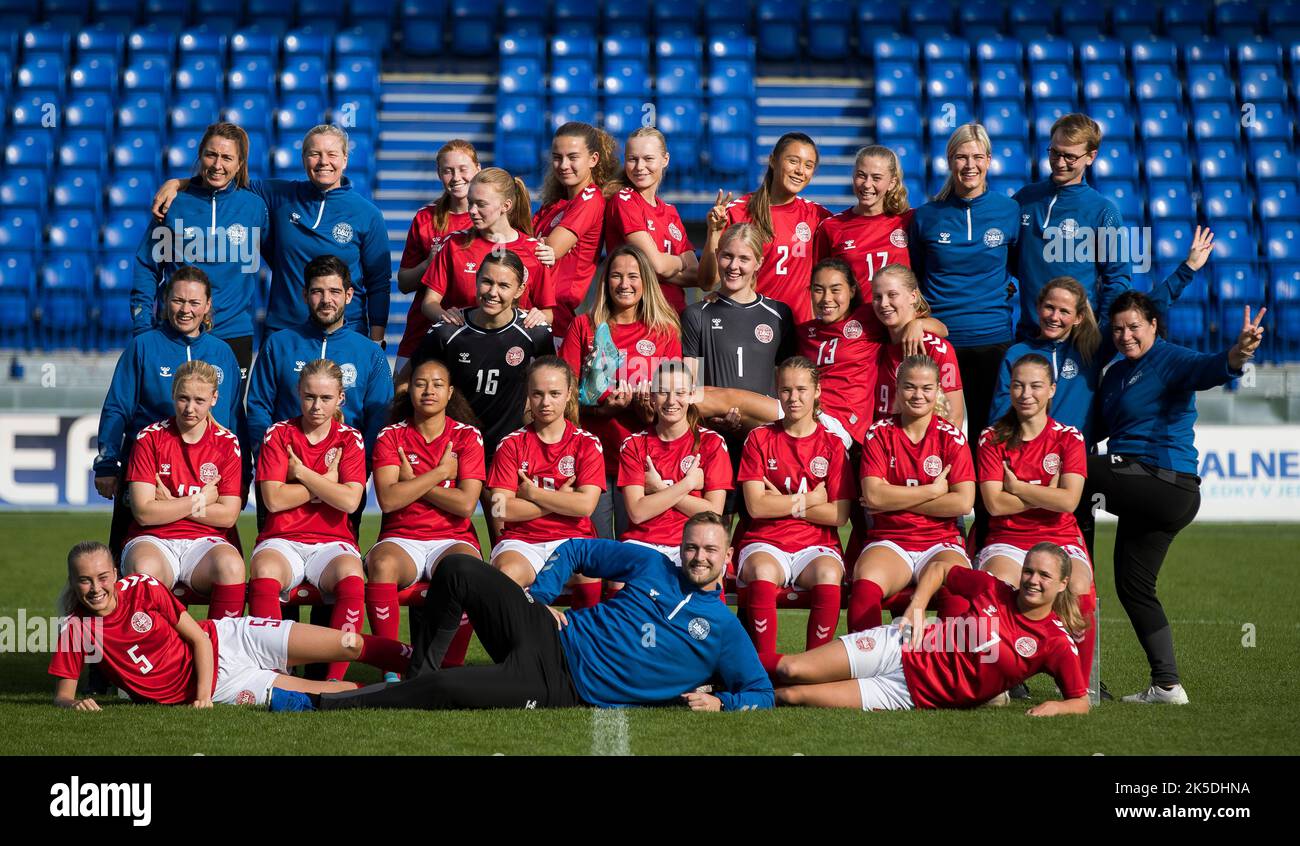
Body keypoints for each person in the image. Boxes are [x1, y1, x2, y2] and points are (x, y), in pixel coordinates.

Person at [312, 512, 774, 712]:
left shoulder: (724, 630)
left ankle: (327, 704)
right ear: (680, 546)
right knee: (457, 567)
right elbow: (575, 549)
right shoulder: (651, 562)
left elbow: (761, 693)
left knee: (448, 687)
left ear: (728, 555)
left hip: (559, 684)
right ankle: (417, 673)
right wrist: (546, 596)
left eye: (709, 550)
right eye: (691, 547)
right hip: (544, 628)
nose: (698, 557)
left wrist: (722, 701)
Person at [1086, 294, 1265, 704]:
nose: (1125, 335)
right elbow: (1090, 430)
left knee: (1077, 472)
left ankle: (1075, 573)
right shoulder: (1114, 375)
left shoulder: (1169, 358)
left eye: (1134, 327)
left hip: (1164, 483)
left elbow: (1208, 368)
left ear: (1153, 325)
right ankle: (1167, 685)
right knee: (1134, 588)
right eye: (1117, 329)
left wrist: (1237, 354)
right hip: (1140, 491)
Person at [50, 542, 411, 710]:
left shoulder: (143, 587)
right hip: (226, 685)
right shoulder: (77, 630)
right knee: (329, 693)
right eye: (84, 581)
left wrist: (201, 698)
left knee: (348, 643)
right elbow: (63, 696)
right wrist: (75, 705)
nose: (95, 589)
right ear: (72, 581)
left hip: (231, 638)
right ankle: (419, 694)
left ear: (116, 573)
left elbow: (198, 639)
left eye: (102, 577)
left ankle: (426, 667)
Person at [774, 542, 1089, 715]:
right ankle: (724, 669)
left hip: (909, 694)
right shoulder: (994, 588)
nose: (1033, 580)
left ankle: (730, 701)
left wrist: (1055, 708)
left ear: (1063, 584)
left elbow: (1080, 700)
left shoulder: (1057, 642)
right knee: (792, 667)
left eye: (1044, 576)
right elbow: (940, 568)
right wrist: (919, 605)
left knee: (793, 694)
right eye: (1029, 571)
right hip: (902, 644)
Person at [153, 124, 391, 343]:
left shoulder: (367, 214)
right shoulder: (279, 194)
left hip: (345, 331)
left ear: (345, 159)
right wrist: (180, 183)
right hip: (285, 329)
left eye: (332, 154)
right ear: (303, 158)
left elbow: (379, 283)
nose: (323, 162)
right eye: (314, 154)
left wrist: (376, 339)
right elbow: (225, 177)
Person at [991, 228, 1217, 443]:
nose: (1054, 317)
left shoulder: (1089, 348)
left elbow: (1146, 307)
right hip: (1027, 461)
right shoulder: (1017, 354)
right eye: (1049, 307)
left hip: (1075, 465)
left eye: (1064, 311)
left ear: (1078, 317)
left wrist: (1187, 269)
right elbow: (1000, 416)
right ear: (1038, 307)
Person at [908, 123, 1020, 551]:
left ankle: (991, 535)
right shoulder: (926, 217)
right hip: (941, 346)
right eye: (961, 157)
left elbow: (1019, 272)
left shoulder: (1009, 212)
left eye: (977, 157)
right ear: (949, 161)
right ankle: (941, 530)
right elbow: (915, 279)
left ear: (988, 161)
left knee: (990, 441)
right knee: (940, 437)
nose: (969, 165)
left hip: (994, 344)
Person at [94, 267, 244, 560]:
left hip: (208, 480)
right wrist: (107, 464)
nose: (185, 310)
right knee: (128, 566)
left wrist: (243, 477)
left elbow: (234, 417)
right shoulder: (143, 347)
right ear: (164, 301)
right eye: (178, 301)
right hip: (150, 477)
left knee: (219, 569)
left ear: (208, 305)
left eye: (194, 302)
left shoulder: (222, 353)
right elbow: (117, 407)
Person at [404, 252, 553, 542]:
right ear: (475, 280)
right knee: (434, 536)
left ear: (520, 290)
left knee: (506, 538)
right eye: (486, 282)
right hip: (453, 453)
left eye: (503, 285)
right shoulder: (447, 331)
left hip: (504, 455)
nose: (493, 292)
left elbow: (550, 389)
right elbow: (407, 384)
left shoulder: (534, 334)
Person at [976, 353, 1095, 685]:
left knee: (1079, 585)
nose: (1026, 394)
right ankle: (1003, 679)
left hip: (1060, 536)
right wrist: (1043, 493)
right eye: (1018, 385)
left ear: (1052, 390)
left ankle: (1079, 686)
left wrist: (1018, 488)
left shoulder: (1069, 437)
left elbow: (1069, 502)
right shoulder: (992, 438)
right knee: (1000, 582)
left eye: (1035, 386)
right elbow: (995, 505)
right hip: (1008, 538)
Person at [247, 360, 369, 681]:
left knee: (352, 575)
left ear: (340, 398)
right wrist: (325, 483)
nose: (316, 406)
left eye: (326, 398)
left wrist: (300, 473)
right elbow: (273, 500)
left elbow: (350, 500)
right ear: (298, 394)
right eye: (310, 397)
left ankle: (334, 680)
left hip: (332, 543)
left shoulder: (350, 439)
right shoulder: (278, 434)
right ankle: (274, 673)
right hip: (282, 539)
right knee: (264, 571)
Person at [367, 358, 485, 674]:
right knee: (381, 565)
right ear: (409, 391)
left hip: (453, 537)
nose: (428, 390)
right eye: (420, 383)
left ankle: (450, 669)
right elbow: (389, 500)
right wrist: (441, 474)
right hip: (402, 538)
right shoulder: (390, 436)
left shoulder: (467, 437)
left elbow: (464, 505)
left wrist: (414, 481)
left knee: (466, 569)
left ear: (450, 393)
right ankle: (390, 668)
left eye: (437, 384)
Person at [735, 356, 854, 668]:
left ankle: (815, 667)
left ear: (817, 391)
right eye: (785, 390)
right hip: (765, 541)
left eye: (801, 389)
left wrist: (784, 503)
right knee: (762, 572)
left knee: (829, 574)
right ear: (777, 392)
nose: (793, 397)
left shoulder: (832, 444)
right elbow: (756, 507)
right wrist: (810, 499)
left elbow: (838, 515)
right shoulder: (759, 438)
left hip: (816, 546)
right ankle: (763, 669)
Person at [558, 244, 682, 540]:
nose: (624, 284)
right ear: (605, 281)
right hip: (592, 459)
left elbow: (679, 402)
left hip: (644, 463)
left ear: (646, 282)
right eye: (616, 276)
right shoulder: (583, 326)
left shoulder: (665, 331)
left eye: (633, 276)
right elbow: (562, 398)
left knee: (635, 551)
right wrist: (603, 411)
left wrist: (648, 412)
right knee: (596, 555)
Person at [848, 355, 975, 635]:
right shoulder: (878, 434)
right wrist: (931, 492)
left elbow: (963, 502)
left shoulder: (951, 438)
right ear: (897, 387)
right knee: (866, 585)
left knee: (959, 588)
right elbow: (874, 496)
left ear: (938, 389)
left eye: (927, 388)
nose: (918, 395)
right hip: (890, 540)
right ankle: (869, 669)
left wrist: (895, 499)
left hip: (940, 542)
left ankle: (945, 669)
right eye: (910, 387)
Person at [131, 122, 269, 379]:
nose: (218, 165)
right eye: (211, 155)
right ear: (200, 156)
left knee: (227, 415)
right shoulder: (173, 204)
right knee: (174, 411)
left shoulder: (255, 207)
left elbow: (282, 259)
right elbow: (147, 266)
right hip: (176, 330)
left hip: (233, 334)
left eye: (227, 157)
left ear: (239, 164)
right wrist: (142, 327)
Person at [120, 361, 246, 621]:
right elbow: (144, 513)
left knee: (232, 566)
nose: (190, 409)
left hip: (204, 542)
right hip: (153, 539)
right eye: (183, 398)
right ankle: (157, 656)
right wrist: (199, 500)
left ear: (214, 398)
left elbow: (227, 516)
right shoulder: (149, 438)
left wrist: (171, 504)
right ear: (172, 394)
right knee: (145, 569)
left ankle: (221, 654)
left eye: (199, 400)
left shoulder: (227, 443)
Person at [245, 255, 393, 464]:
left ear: (349, 295)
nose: (326, 300)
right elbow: (258, 408)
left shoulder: (370, 354)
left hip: (344, 479)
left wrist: (358, 468)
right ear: (305, 295)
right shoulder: (278, 345)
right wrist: (272, 461)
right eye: (317, 292)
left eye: (334, 292)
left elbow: (379, 418)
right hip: (284, 472)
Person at [485, 357, 604, 597]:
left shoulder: (587, 444)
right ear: (528, 394)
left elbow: (584, 506)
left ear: (569, 393)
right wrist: (559, 500)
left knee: (589, 574)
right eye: (537, 394)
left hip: (573, 539)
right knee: (505, 573)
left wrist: (533, 494)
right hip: (522, 542)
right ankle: (521, 635)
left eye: (554, 393)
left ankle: (579, 635)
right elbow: (500, 509)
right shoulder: (511, 444)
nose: (545, 402)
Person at [1013, 113, 1129, 341]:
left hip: (1078, 340)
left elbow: (1117, 280)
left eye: (1070, 156)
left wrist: (1101, 333)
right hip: (1029, 334)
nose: (1059, 162)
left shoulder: (1103, 211)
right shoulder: (1025, 198)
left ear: (1091, 156)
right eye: (1054, 152)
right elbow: (1006, 256)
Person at [680, 223, 796, 441]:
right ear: (716, 255)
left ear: (759, 262)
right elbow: (690, 388)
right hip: (712, 436)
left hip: (767, 439)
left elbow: (786, 382)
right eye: (727, 256)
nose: (734, 266)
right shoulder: (696, 314)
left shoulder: (779, 314)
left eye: (744, 259)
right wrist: (714, 416)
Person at [702, 132, 831, 324]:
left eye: (808, 165)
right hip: (747, 328)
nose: (800, 170)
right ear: (773, 160)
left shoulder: (819, 217)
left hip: (798, 332)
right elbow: (707, 282)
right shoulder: (736, 212)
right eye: (793, 161)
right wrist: (714, 232)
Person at [417, 167, 554, 338]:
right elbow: (429, 303)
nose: (472, 211)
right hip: (463, 347)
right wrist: (444, 315)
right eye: (471, 202)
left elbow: (548, 313)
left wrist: (539, 317)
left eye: (481, 204)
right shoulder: (453, 244)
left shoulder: (535, 251)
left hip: (513, 352)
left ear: (506, 206)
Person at [619, 360, 732, 563]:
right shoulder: (633, 444)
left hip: (692, 544)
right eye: (663, 392)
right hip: (643, 542)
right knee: (617, 581)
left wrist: (660, 487)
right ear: (652, 396)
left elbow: (713, 513)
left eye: (680, 393)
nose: (671, 401)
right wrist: (688, 484)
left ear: (691, 395)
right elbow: (637, 513)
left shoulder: (712, 443)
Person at [394, 139, 481, 371]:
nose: (456, 177)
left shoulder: (491, 218)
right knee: (403, 398)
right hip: (423, 328)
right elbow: (403, 283)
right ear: (439, 173)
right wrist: (429, 264)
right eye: (448, 171)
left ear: (478, 169)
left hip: (474, 331)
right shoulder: (425, 218)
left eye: (463, 169)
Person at [533, 121, 618, 340]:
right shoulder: (554, 205)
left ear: (593, 159)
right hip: (534, 308)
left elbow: (549, 251)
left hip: (555, 313)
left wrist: (536, 243)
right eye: (557, 157)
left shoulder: (590, 199)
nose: (563, 165)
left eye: (572, 157)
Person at [812, 144, 914, 325]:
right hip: (854, 333)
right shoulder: (831, 227)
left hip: (900, 329)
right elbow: (820, 284)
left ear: (892, 182)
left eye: (876, 178)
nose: (867, 184)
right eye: (861, 175)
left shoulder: (909, 221)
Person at [603, 126, 700, 312]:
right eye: (632, 159)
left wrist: (660, 267)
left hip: (674, 316)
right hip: (639, 315)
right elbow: (656, 265)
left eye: (648, 159)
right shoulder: (625, 200)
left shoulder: (670, 211)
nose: (640, 167)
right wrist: (680, 261)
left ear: (665, 160)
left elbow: (696, 275)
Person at [869, 264, 965, 431]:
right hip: (885, 447)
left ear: (913, 296)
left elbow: (954, 416)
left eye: (892, 295)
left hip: (928, 451)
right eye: (877, 297)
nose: (884, 303)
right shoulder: (875, 342)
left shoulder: (936, 348)